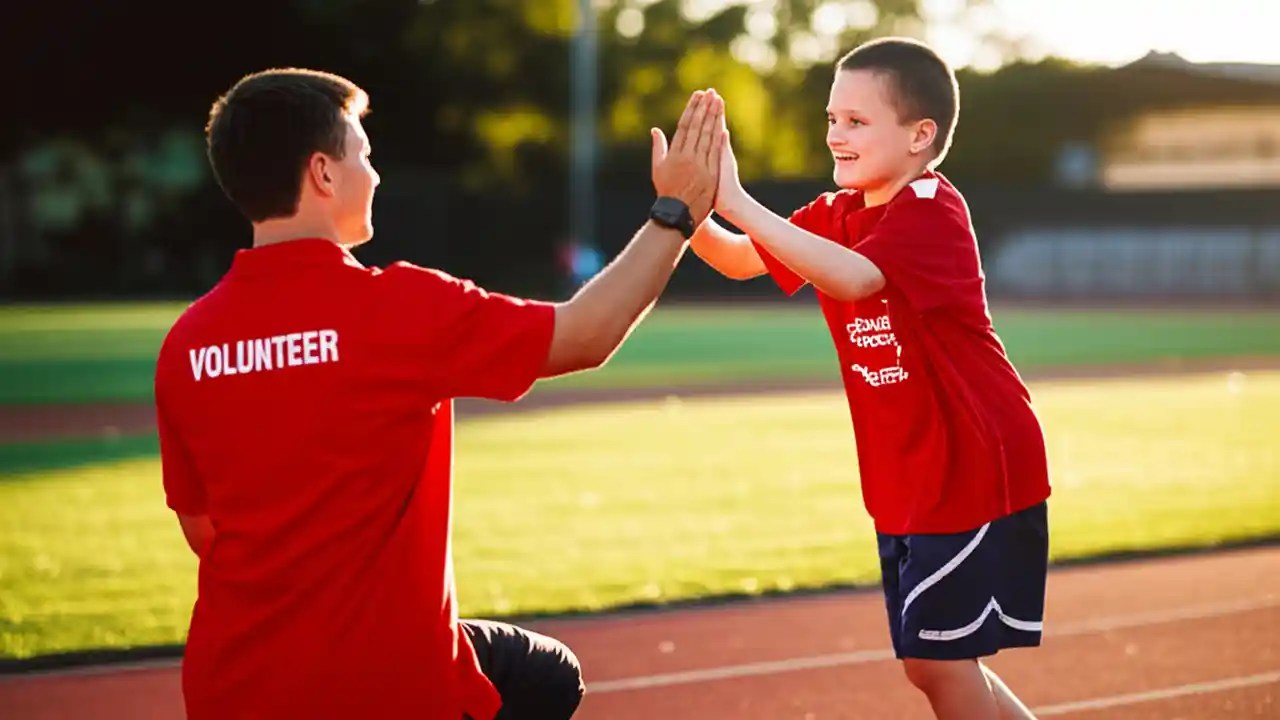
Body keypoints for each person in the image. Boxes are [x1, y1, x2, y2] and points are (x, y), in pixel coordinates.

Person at [154, 67, 724, 720]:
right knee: (547, 680)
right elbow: (585, 334)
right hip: (385, 689)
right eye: (363, 156)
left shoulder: (186, 343)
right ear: (322, 173)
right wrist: (676, 213)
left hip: (229, 688)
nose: (374, 175)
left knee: (533, 673)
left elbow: (205, 532)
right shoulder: (396, 307)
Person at [691, 38, 1052, 719]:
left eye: (856, 121)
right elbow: (743, 261)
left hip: (973, 463)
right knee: (935, 663)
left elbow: (857, 277)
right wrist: (685, 207)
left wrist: (737, 199)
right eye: (832, 119)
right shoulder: (835, 214)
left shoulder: (929, 207)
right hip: (910, 472)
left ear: (921, 135)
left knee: (937, 659)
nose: (835, 134)